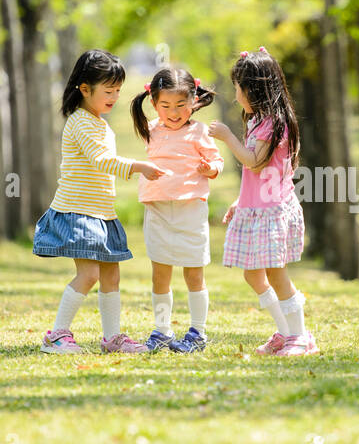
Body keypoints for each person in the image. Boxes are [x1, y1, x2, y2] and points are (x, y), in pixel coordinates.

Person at [33, 49, 165, 353]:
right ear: (84, 88)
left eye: (118, 90)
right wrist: (139, 167)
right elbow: (102, 161)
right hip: (78, 211)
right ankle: (57, 334)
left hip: (101, 212)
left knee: (111, 274)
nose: (115, 96)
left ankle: (112, 338)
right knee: (89, 274)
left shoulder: (100, 123)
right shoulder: (80, 121)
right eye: (108, 90)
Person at [209, 47, 318, 356]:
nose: (235, 95)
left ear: (253, 88)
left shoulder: (273, 123)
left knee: (275, 273)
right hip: (259, 207)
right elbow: (263, 174)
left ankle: (299, 336)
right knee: (252, 274)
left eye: (238, 88)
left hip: (272, 212)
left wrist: (228, 137)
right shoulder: (259, 120)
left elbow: (255, 162)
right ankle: (286, 331)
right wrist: (241, 200)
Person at [130, 67, 224, 353]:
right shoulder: (150, 129)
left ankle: (198, 332)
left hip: (191, 210)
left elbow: (216, 159)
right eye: (165, 105)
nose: (173, 112)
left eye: (180, 105)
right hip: (158, 210)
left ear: (193, 101)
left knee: (194, 274)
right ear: (154, 103)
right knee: (160, 273)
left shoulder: (198, 131)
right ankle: (162, 330)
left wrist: (211, 169)